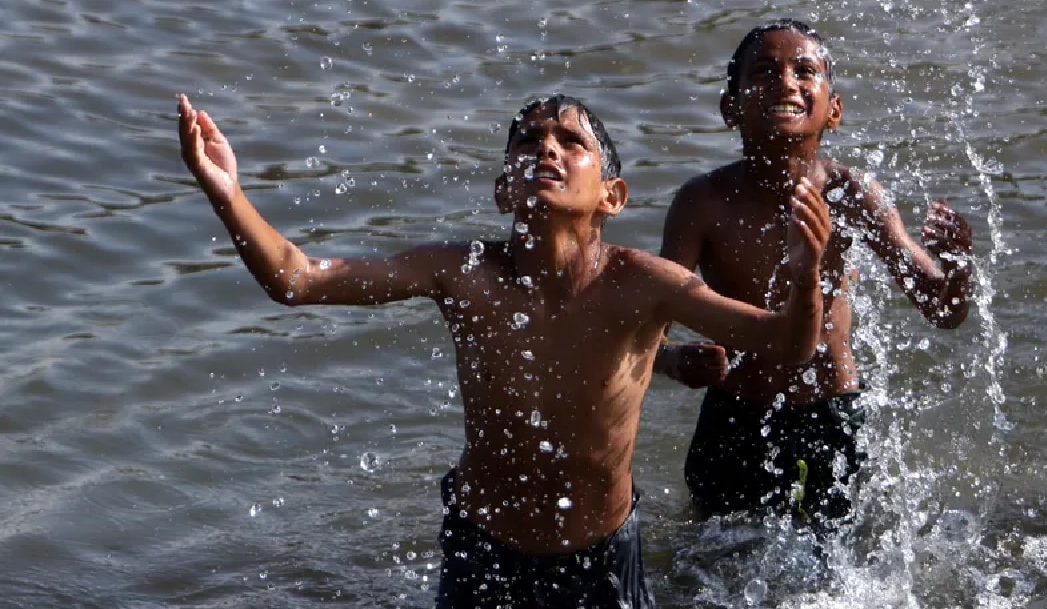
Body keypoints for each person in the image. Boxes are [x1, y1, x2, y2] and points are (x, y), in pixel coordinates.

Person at [176, 91, 832, 609]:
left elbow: (785, 343)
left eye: (571, 141)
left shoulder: (642, 283)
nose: (546, 148)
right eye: (528, 140)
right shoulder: (464, 272)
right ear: (502, 192)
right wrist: (227, 194)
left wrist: (805, 278)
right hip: (482, 545)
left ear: (612, 196)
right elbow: (298, 280)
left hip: (601, 554)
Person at [656, 18, 974, 528]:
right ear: (730, 108)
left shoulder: (853, 194)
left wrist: (957, 269)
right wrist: (674, 361)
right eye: (764, 71)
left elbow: (943, 311)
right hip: (734, 414)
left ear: (835, 110)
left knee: (839, 553)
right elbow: (649, 324)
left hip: (831, 414)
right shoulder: (702, 203)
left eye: (804, 71)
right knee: (711, 553)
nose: (785, 82)